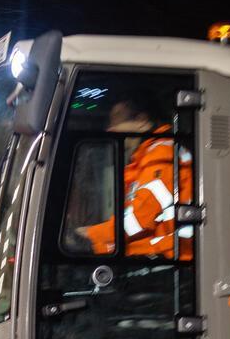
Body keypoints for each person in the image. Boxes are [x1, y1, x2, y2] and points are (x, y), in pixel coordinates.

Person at [82, 95, 194, 259]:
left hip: (181, 259)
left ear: (142, 121)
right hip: (173, 256)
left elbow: (139, 220)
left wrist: (91, 236)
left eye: (117, 121)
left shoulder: (162, 153)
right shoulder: (148, 157)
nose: (110, 130)